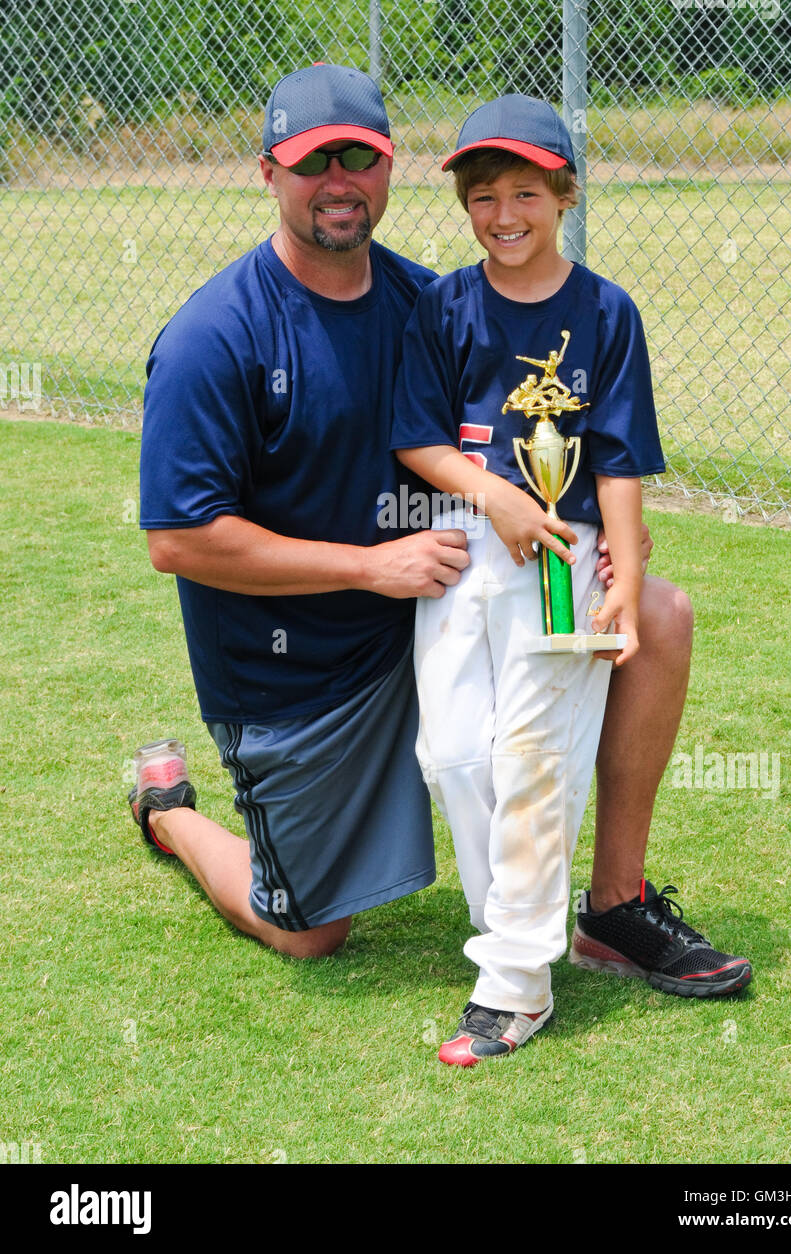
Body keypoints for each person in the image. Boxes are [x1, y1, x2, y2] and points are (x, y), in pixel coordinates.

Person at [129, 64, 743, 1015]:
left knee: (655, 616)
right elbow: (180, 541)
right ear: (266, 174)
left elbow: (564, 433)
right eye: (310, 162)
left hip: (435, 612)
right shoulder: (217, 334)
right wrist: (372, 567)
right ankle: (170, 816)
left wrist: (609, 536)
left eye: (360, 158)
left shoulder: (437, 303)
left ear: (388, 169)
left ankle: (613, 905)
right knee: (306, 930)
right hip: (304, 676)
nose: (338, 179)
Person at [392, 94, 750, 1068]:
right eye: (482, 197)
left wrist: (624, 583)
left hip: (565, 551)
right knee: (456, 758)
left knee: (533, 762)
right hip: (468, 542)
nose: (503, 215)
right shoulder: (446, 305)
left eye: (523, 192)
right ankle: (520, 924)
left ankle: (512, 984)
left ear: (564, 192)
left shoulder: (603, 311)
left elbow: (621, 460)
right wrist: (491, 498)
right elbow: (419, 435)